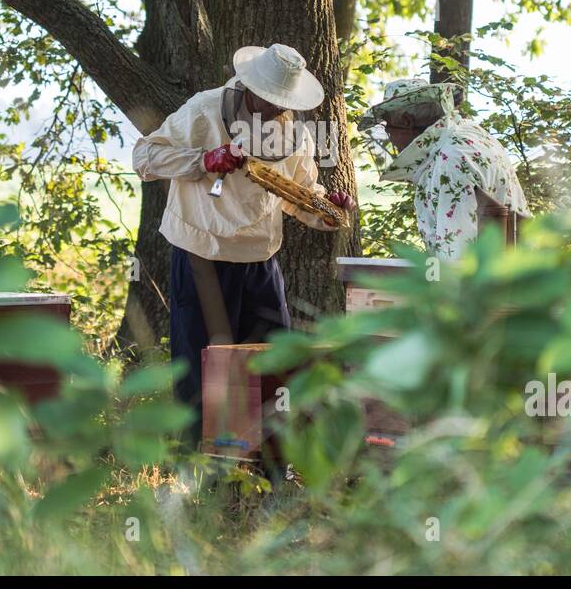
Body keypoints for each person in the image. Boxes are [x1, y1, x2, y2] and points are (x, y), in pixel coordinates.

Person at [133, 43, 356, 442]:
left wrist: (326, 210)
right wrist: (203, 161)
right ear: (250, 87)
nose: (275, 109)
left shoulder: (295, 134)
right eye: (268, 100)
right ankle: (201, 468)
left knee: (272, 360)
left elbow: (298, 195)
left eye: (282, 103)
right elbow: (145, 156)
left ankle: (266, 462)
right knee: (204, 363)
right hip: (203, 253)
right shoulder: (204, 108)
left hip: (260, 258)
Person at [359, 79, 529, 260]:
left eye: (388, 127)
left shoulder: (450, 162)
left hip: (495, 284)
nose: (389, 137)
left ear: (406, 122)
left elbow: (457, 256)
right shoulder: (469, 134)